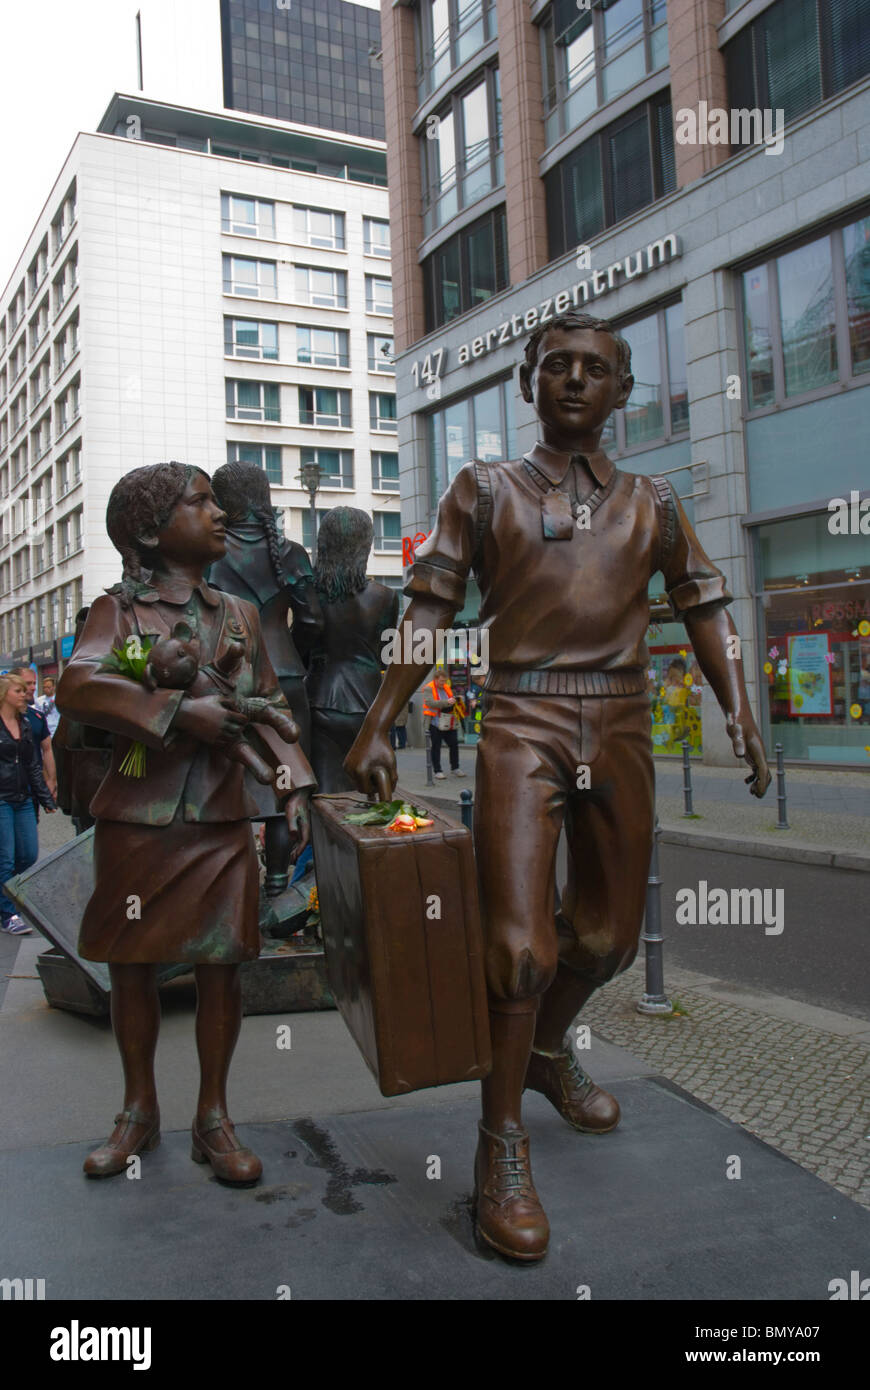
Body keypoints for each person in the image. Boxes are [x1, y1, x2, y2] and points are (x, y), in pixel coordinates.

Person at [346, 311, 770, 1261]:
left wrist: (739, 706)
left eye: (595, 370)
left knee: (610, 939)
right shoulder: (483, 488)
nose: (575, 380)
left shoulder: (655, 502)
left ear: (623, 392)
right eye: (556, 367)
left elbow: (703, 602)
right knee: (519, 944)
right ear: (528, 384)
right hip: (524, 719)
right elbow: (431, 605)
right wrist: (381, 720)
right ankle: (500, 1144)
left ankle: (543, 1053)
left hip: (620, 721)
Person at [56, 462, 315, 1185]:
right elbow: (79, 684)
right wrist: (175, 712)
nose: (216, 512)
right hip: (141, 814)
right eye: (198, 503)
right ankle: (138, 1109)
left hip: (222, 813)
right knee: (131, 962)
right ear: (148, 529)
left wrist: (293, 783)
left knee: (221, 963)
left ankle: (213, 1116)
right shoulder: (121, 611)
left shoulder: (236, 613)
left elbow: (268, 703)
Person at [208, 460, 324, 896]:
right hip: (287, 675)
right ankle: (279, 884)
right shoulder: (291, 553)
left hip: (227, 680)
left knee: (229, 784)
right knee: (286, 787)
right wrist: (290, 650)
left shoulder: (211, 553)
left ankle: (236, 892)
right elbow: (312, 620)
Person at [304, 508, 398, 793]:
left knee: (324, 793)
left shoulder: (310, 593)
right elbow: (386, 654)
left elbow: (302, 647)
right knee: (372, 791)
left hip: (319, 699)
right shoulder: (385, 597)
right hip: (369, 703)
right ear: (364, 547)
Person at [0, 672, 57, 934]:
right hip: (1, 799)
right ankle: (8, 914)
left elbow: (33, 764)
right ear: (4, 695)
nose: (25, 694)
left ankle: (6, 899)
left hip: (23, 798)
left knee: (29, 854)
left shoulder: (25, 723)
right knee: (6, 859)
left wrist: (46, 796)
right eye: (19, 691)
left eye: (26, 690)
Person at [8, 665, 57, 803]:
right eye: (28, 683)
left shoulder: (37, 717)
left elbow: (47, 750)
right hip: (6, 789)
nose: (33, 688)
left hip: (32, 786)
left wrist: (51, 780)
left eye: (34, 683)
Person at [422, 667, 465, 778]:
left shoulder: (446, 687)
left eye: (445, 681)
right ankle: (437, 770)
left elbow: (450, 701)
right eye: (441, 681)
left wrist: (456, 700)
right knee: (436, 746)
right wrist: (447, 702)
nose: (443, 683)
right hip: (435, 723)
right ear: (435, 679)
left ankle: (455, 768)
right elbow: (430, 703)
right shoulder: (428, 688)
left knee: (454, 744)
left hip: (448, 721)